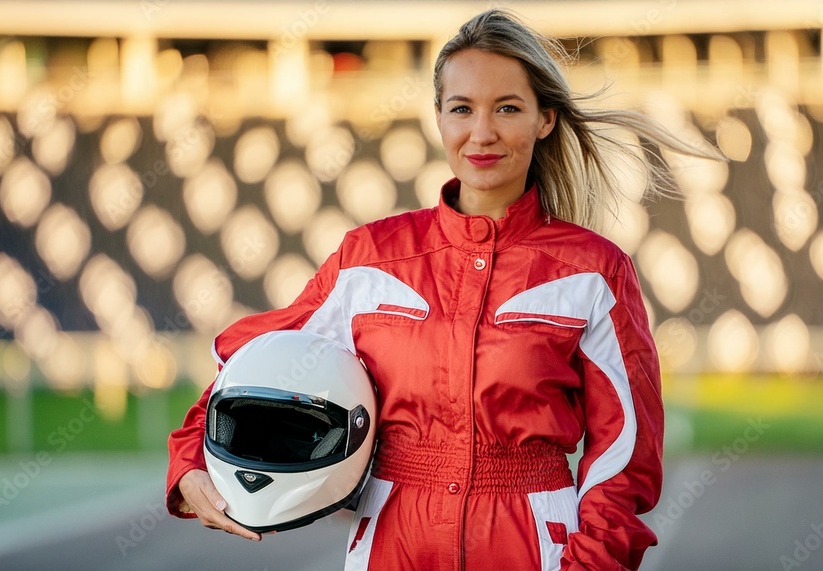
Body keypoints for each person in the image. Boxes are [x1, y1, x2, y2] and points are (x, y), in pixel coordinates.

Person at [167, 9, 720, 570]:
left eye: (507, 108)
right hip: (391, 547)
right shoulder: (369, 259)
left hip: (535, 549)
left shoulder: (594, 273)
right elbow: (254, 357)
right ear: (438, 117)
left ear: (545, 118)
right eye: (462, 109)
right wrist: (190, 460)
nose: (482, 132)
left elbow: (624, 458)